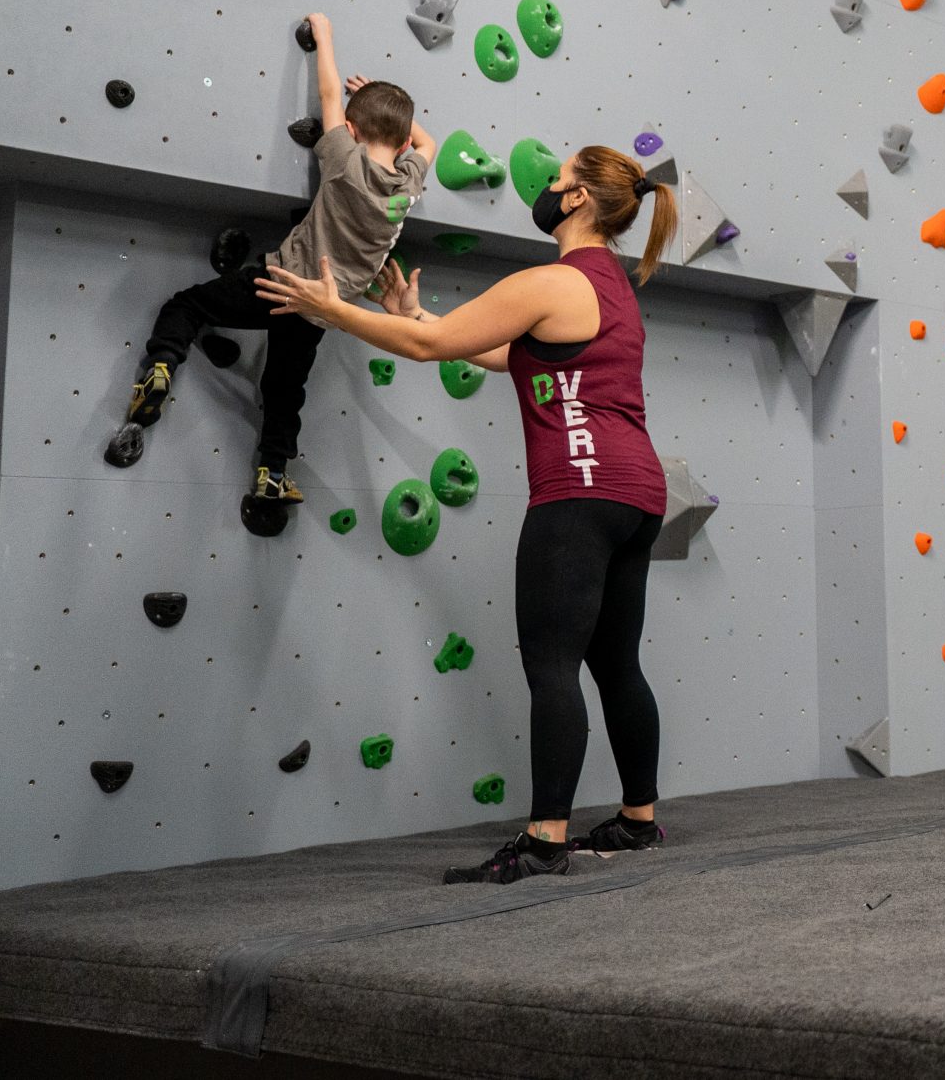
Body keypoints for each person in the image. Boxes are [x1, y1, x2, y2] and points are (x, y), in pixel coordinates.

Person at [258, 146, 679, 884]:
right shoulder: (611, 286)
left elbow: (429, 348)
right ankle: (638, 821)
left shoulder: (554, 279)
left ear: (577, 198)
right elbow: (515, 353)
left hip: (577, 493)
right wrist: (419, 314)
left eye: (556, 180)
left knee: (552, 666)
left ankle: (547, 838)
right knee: (616, 663)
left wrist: (334, 310)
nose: (546, 189)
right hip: (635, 493)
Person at [108, 13, 433, 524]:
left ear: (350, 130)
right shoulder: (408, 186)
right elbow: (427, 144)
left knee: (188, 305)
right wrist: (394, 115)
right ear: (403, 142)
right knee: (285, 393)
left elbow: (329, 94)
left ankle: (164, 364)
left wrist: (325, 36)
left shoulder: (345, 161)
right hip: (320, 312)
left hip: (280, 281)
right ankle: (273, 474)